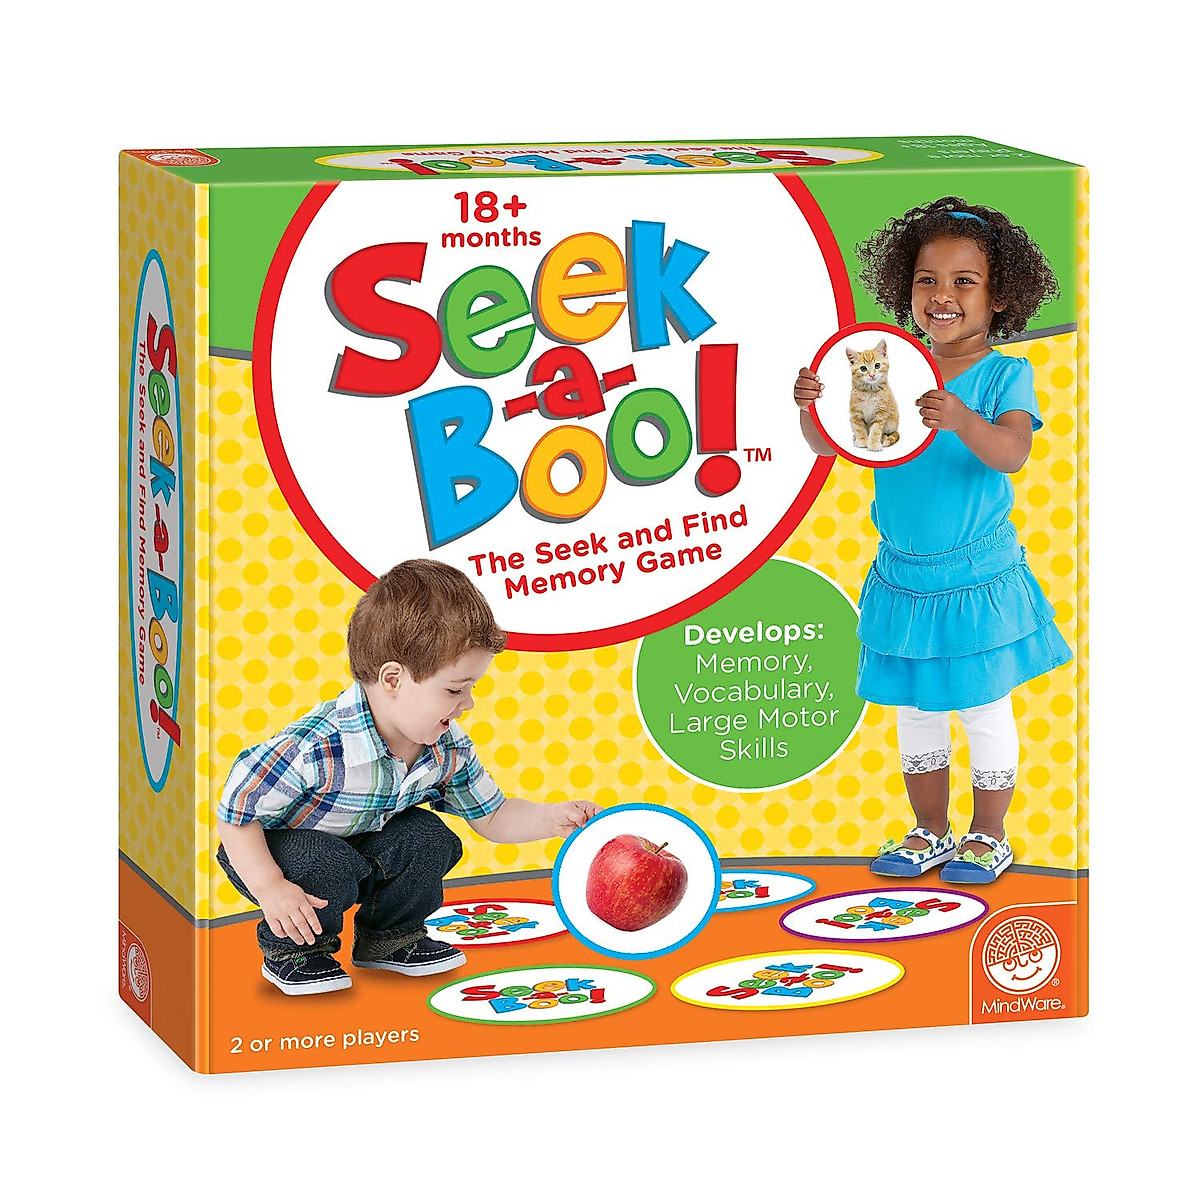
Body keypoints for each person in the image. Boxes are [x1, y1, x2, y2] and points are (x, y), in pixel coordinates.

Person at [792, 197, 1071, 884]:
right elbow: (833, 445)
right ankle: (930, 830)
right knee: (915, 711)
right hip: (904, 578)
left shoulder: (1006, 373)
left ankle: (989, 834)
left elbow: (1012, 452)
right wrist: (810, 409)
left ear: (999, 296)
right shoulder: (895, 366)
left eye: (963, 281)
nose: (942, 296)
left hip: (975, 579)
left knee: (982, 705)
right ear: (905, 289)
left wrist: (962, 418)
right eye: (927, 280)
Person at [216, 558, 598, 995]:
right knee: (327, 862)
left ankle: (390, 937)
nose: (468, 704)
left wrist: (552, 818)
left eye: (471, 688)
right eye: (455, 689)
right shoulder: (318, 747)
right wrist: (269, 885)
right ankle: (296, 951)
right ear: (393, 679)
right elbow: (236, 811)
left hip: (358, 845)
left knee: (426, 837)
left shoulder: (446, 748)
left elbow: (493, 816)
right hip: (271, 854)